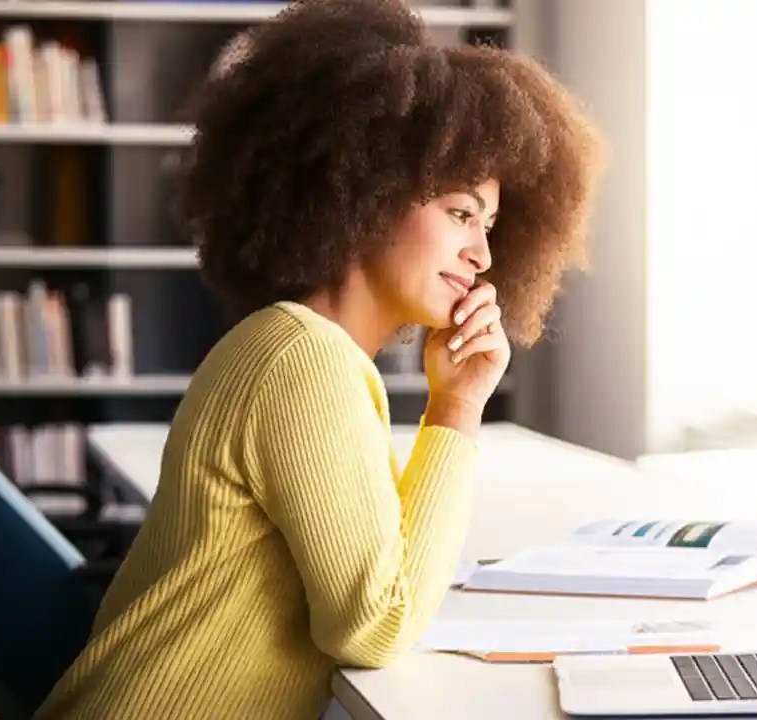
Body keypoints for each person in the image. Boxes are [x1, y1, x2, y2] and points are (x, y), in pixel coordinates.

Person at [34, 0, 602, 717]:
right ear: (368, 189)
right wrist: (456, 409)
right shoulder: (304, 364)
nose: (483, 255)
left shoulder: (294, 347)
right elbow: (377, 624)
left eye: (488, 226)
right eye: (461, 214)